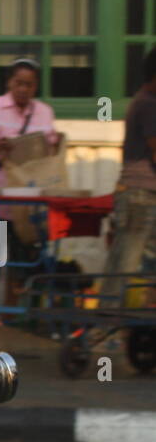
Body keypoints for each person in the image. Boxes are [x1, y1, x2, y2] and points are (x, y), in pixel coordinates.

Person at [0, 57, 61, 287]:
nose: (23, 89)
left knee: (21, 267)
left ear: (35, 86)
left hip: (27, 205)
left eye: (29, 85)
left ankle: (12, 316)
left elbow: (52, 153)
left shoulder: (44, 112)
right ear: (9, 82)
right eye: (19, 83)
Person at [101, 46, 156, 302]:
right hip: (139, 193)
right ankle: (105, 333)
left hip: (143, 192)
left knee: (139, 266)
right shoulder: (148, 104)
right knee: (125, 266)